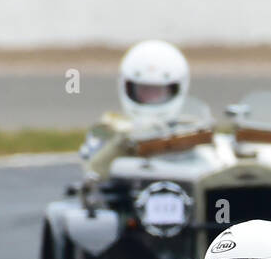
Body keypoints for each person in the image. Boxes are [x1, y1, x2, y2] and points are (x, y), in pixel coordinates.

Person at [80, 40, 195, 177]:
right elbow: (94, 173)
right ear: (128, 88)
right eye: (145, 90)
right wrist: (123, 143)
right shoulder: (107, 132)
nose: (151, 97)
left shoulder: (191, 130)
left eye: (158, 92)